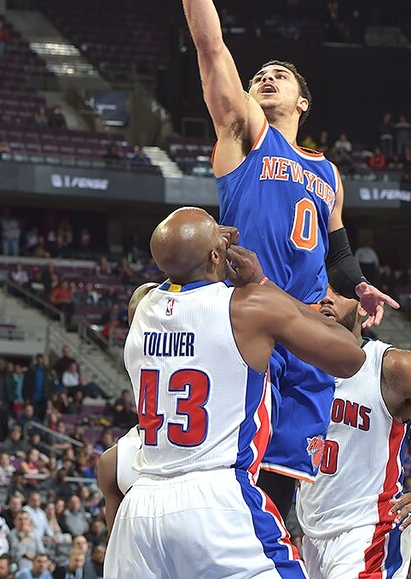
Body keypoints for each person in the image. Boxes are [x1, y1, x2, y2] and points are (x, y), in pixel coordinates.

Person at [170, 0, 398, 516]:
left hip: (308, 331)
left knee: (278, 498)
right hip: (250, 318)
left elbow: (338, 250)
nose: (265, 78)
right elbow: (211, 49)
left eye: (281, 76)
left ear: (304, 101)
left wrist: (362, 287)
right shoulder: (246, 137)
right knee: (229, 484)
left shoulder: (327, 172)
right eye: (259, 76)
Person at [103, 207, 366, 579]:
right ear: (217, 255)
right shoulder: (249, 308)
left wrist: (205, 245)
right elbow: (350, 355)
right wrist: (261, 282)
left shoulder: (142, 304)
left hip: (140, 507)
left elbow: (179, 261)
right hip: (215, 498)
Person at [296, 287, 411, 579]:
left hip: (369, 530)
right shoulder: (297, 367)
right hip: (309, 534)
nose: (327, 298)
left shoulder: (394, 366)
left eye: (339, 291)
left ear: (363, 307)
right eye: (321, 288)